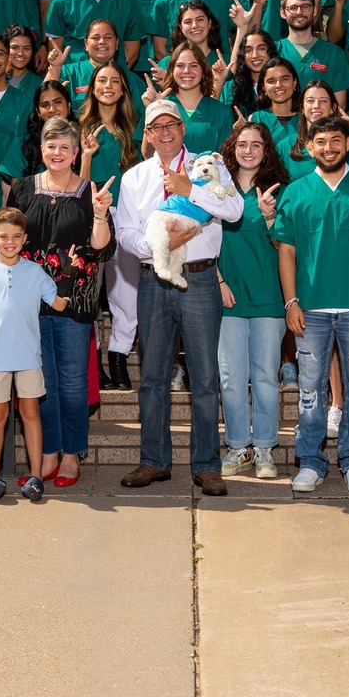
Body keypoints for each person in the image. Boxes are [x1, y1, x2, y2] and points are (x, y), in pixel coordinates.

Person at [112, 98, 244, 495]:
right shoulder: (134, 178)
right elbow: (125, 234)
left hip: (201, 280)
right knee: (152, 376)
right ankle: (154, 461)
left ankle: (207, 466)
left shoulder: (209, 166)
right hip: (154, 279)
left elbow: (235, 210)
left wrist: (192, 191)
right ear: (147, 135)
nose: (165, 132)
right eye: (157, 127)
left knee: (204, 377)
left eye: (172, 125)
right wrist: (160, 247)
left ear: (182, 129)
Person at [276, 114, 349, 495]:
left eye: (335, 140)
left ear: (348, 143)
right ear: (310, 146)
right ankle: (310, 461)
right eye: (320, 141)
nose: (328, 147)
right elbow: (287, 251)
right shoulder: (295, 192)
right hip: (310, 308)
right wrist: (291, 301)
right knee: (310, 391)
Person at [5, 118, 115, 486]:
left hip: (74, 303)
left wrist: (99, 214)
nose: (57, 153)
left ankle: (71, 455)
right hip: (29, 303)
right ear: (42, 149)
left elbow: (102, 248)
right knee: (40, 382)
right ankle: (48, 452)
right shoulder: (22, 189)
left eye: (64, 147)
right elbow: (9, 240)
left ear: (75, 152)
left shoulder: (90, 192)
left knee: (71, 383)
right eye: (51, 146)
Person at [0, 209, 74, 503]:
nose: (10, 241)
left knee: (30, 414)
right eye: (3, 236)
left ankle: (36, 476)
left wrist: (67, 275)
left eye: (16, 236)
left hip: (28, 356)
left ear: (25, 239)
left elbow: (60, 304)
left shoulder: (34, 271)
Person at [216, 119, 288, 481]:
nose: (248, 150)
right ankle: (238, 446)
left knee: (263, 376)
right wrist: (218, 280)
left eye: (256, 144)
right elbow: (202, 239)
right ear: (232, 148)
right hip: (228, 295)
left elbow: (287, 248)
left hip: (268, 298)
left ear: (266, 150)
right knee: (230, 376)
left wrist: (270, 216)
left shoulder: (279, 190)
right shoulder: (217, 189)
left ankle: (263, 448)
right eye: (242, 143)